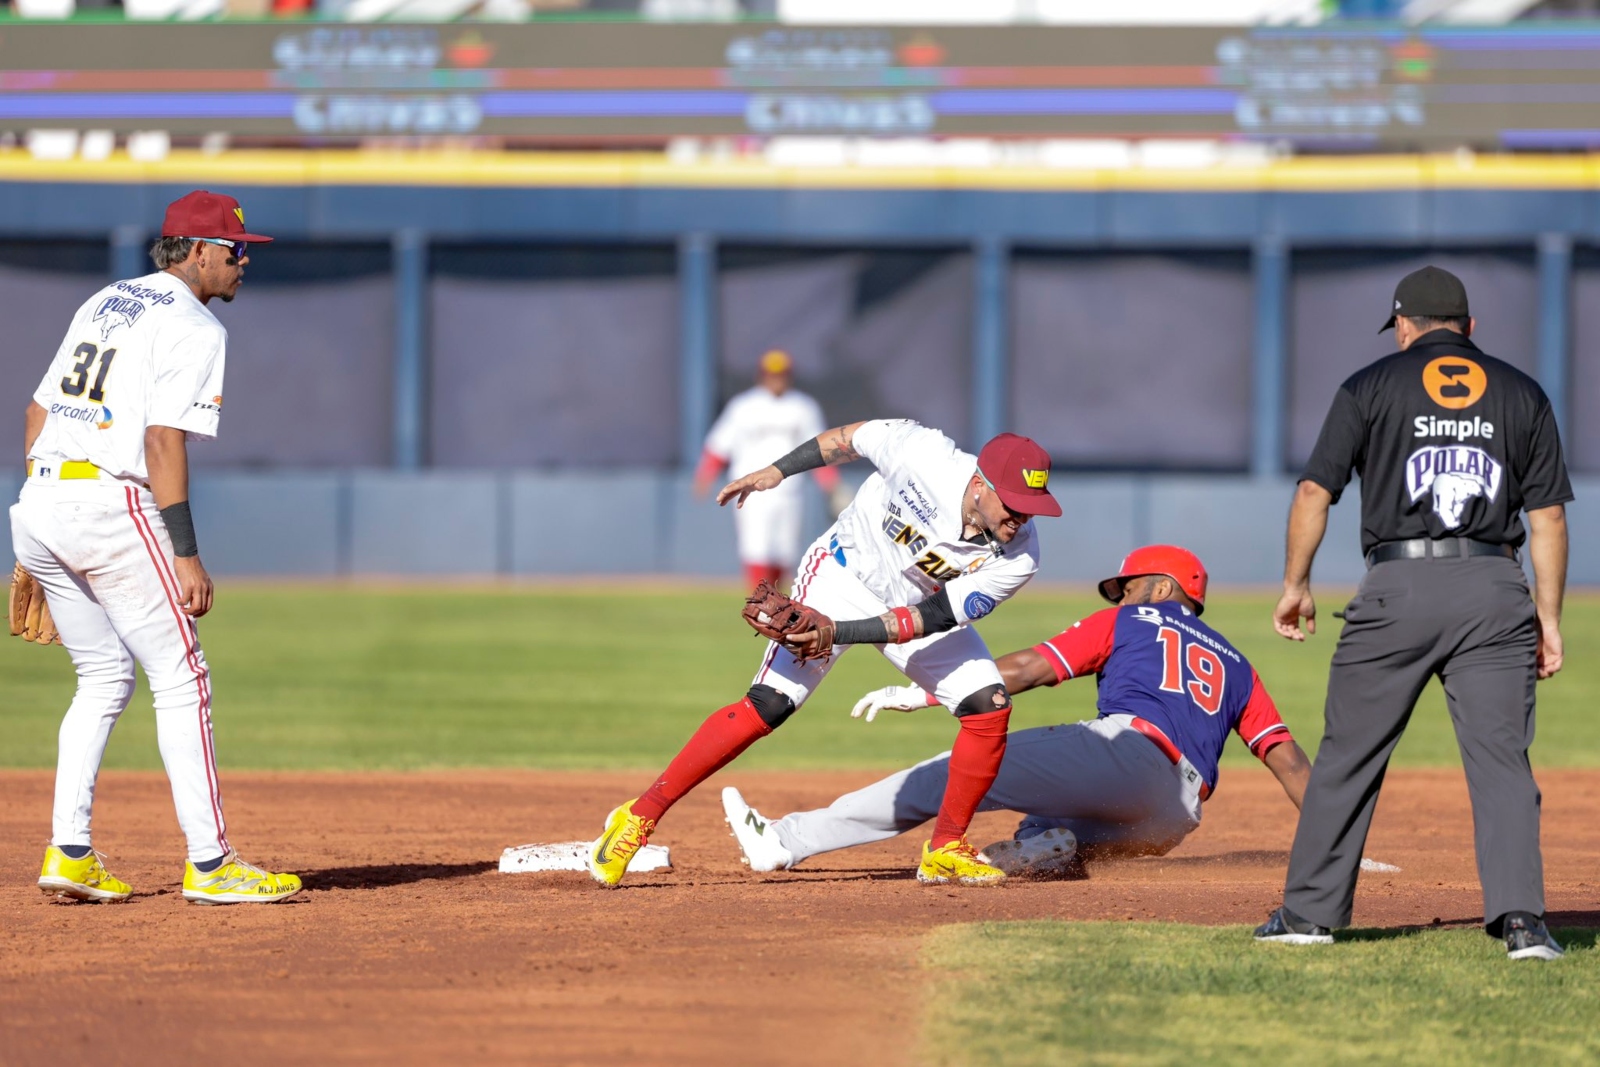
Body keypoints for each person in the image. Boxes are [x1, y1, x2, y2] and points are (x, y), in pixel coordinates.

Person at [589, 419, 1062, 887]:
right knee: (769, 704)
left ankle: (945, 849)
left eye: (1032, 506)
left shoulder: (1020, 556)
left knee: (988, 706)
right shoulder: (922, 453)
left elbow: (931, 618)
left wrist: (836, 632)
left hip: (915, 609)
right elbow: (846, 440)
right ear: (979, 483)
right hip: (841, 574)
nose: (1021, 517)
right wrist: (778, 470)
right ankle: (638, 817)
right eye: (1013, 503)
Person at [1258, 266, 1571, 961]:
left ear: (1404, 326)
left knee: (1348, 753)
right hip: (1494, 586)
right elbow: (1546, 516)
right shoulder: (1523, 393)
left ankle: (1309, 915)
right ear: (1469, 328)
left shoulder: (1370, 385)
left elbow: (1315, 491)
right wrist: (1547, 619)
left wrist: (1295, 583)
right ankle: (1523, 924)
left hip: (1397, 584)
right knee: (1501, 761)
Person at [12, 190, 302, 905]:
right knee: (183, 676)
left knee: (104, 677)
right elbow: (161, 440)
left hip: (41, 499)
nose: (243, 262)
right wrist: (186, 552)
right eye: (235, 250)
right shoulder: (196, 326)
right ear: (198, 251)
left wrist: (47, 531)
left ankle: (70, 852)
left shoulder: (107, 300)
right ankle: (212, 861)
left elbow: (37, 411)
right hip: (112, 504)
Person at [720, 546, 1312, 876]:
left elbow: (1031, 668)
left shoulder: (1132, 618)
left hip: (1131, 753)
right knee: (1043, 830)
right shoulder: (1237, 662)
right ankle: (1046, 850)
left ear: (1161, 589)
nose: (1121, 595)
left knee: (954, 771)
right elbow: (1289, 762)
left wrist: (929, 691)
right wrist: (1336, 841)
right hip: (1175, 816)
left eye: (1128, 585)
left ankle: (785, 840)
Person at [694, 349, 846, 590]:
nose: (776, 379)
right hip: (750, 492)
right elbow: (719, 445)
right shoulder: (744, 406)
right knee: (756, 547)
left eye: (781, 374)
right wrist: (705, 475)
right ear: (761, 376)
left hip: (789, 491)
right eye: (771, 374)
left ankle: (774, 602)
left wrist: (831, 485)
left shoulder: (803, 407)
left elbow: (819, 450)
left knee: (784, 551)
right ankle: (760, 602)